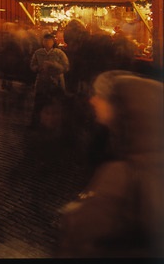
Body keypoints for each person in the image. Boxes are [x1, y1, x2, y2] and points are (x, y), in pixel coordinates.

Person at [58, 71, 164, 258]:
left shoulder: (121, 173)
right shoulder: (141, 153)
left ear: (122, 109)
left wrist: (72, 214)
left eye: (101, 97)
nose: (93, 101)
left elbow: (82, 231)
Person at [29, 32, 70, 129]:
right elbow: (32, 65)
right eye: (45, 41)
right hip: (42, 82)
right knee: (39, 103)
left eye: (49, 41)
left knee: (55, 103)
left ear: (53, 42)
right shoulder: (38, 53)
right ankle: (36, 123)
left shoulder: (59, 53)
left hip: (56, 82)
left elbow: (66, 66)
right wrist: (38, 68)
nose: (47, 43)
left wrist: (55, 66)